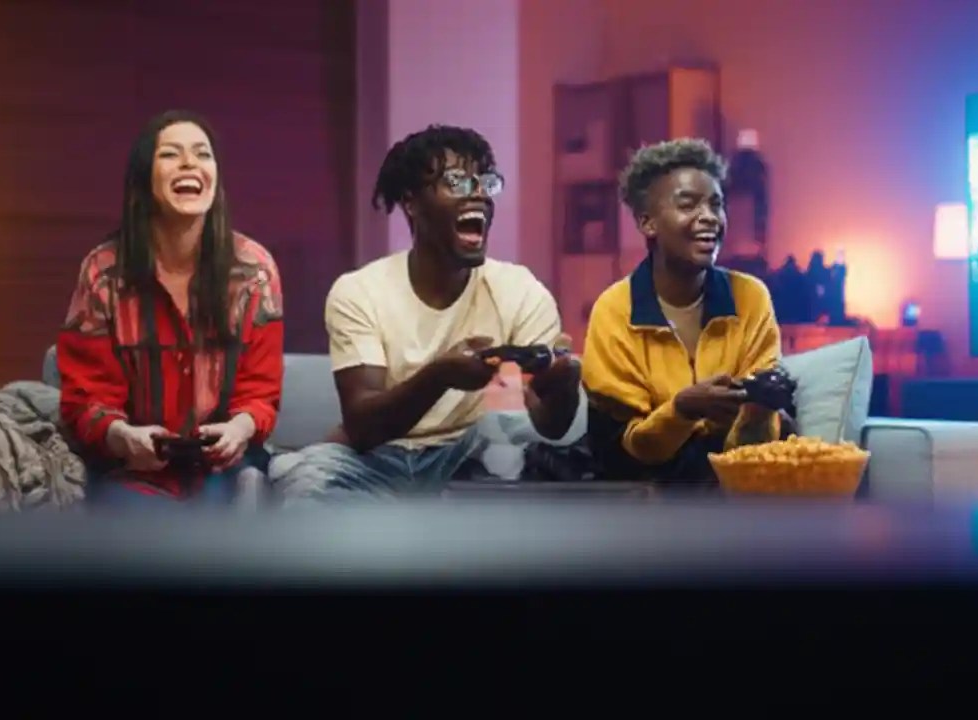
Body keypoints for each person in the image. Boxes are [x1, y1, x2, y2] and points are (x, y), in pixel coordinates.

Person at [277, 124, 581, 500]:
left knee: (521, 457)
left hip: (465, 452)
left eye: (486, 183)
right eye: (457, 182)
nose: (480, 196)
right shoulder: (359, 291)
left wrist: (561, 388)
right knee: (305, 486)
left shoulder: (520, 290)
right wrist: (439, 375)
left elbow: (549, 426)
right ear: (411, 202)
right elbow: (362, 425)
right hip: (376, 458)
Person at [57, 110, 284, 508]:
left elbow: (260, 393)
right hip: (132, 470)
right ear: (145, 178)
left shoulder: (255, 272)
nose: (189, 164)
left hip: (226, 466)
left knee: (239, 513)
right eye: (171, 154)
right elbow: (85, 398)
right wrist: (121, 435)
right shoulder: (103, 273)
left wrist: (239, 429)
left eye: (202, 154)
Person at [581, 138, 791, 484]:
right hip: (642, 496)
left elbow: (755, 452)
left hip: (735, 489)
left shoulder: (750, 298)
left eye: (716, 204)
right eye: (688, 204)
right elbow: (620, 452)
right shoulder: (615, 310)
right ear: (648, 222)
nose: (708, 217)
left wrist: (758, 409)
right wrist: (682, 411)